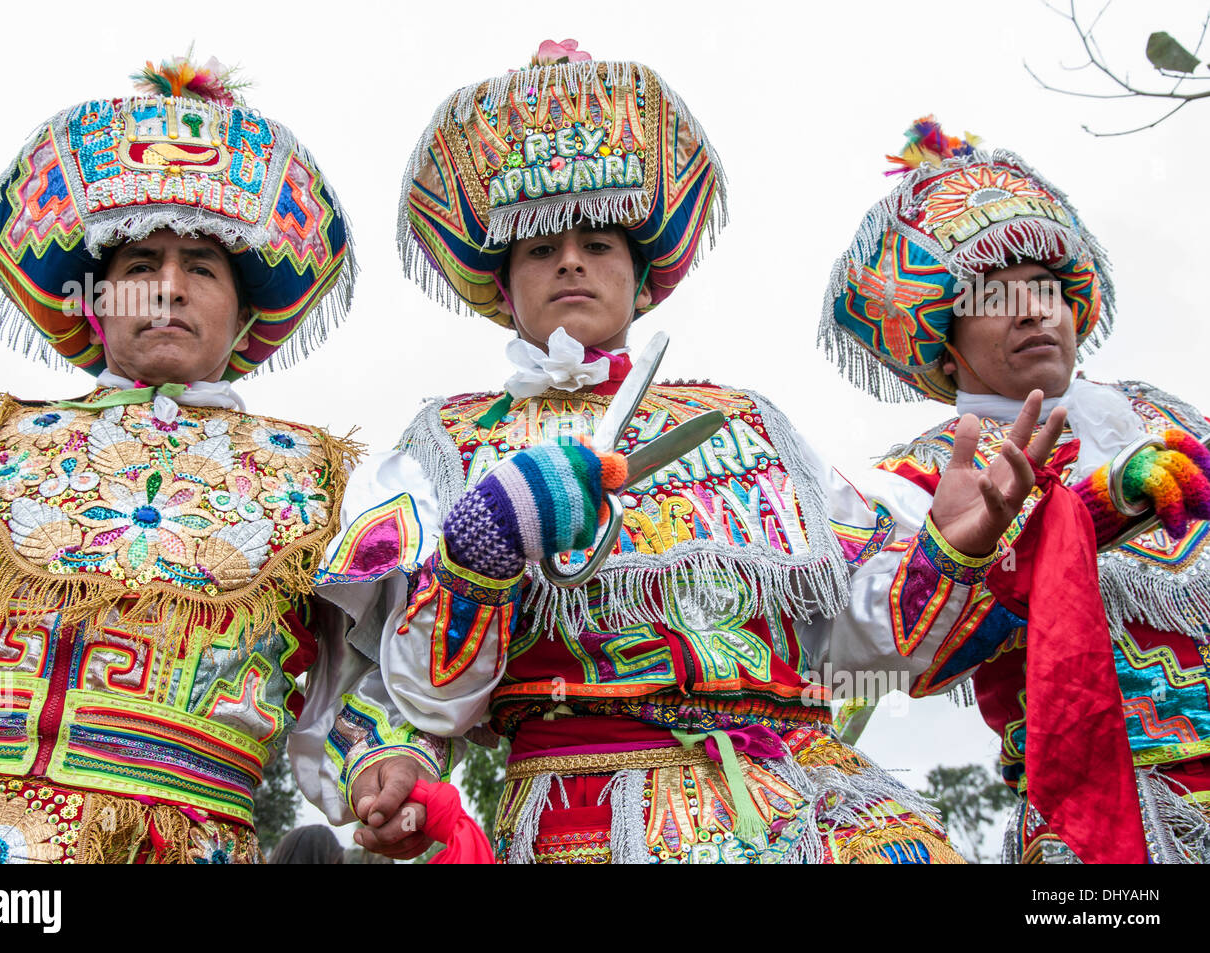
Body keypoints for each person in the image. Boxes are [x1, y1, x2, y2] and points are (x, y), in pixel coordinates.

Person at [316, 45, 1060, 864]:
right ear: (503, 287)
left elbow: (863, 652)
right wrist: (480, 554)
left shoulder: (752, 424)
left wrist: (949, 548)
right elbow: (423, 700)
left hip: (812, 804)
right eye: (539, 245)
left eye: (599, 241)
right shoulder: (443, 448)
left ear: (643, 278)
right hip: (596, 814)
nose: (570, 258)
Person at [0, 55, 447, 864]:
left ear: (241, 314)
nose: (168, 287)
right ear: (97, 304)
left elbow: (387, 672)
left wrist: (386, 766)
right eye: (137, 268)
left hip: (182, 842)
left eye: (200, 268)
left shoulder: (323, 482)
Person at [820, 118, 1210, 863]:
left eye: (1046, 291)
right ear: (945, 334)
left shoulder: (1173, 419)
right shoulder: (916, 482)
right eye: (995, 297)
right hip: (1113, 823)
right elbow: (871, 659)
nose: (1033, 310)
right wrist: (1073, 512)